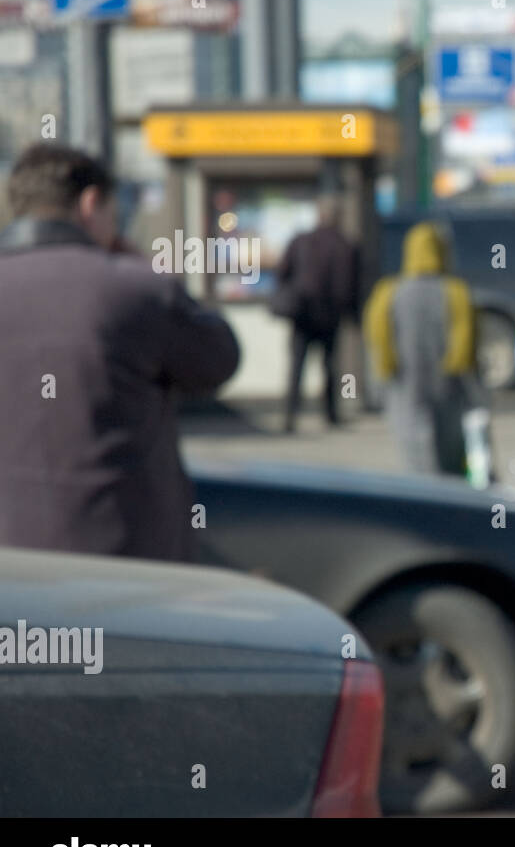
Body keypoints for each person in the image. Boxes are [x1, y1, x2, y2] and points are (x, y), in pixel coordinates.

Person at [0, 143, 239, 562]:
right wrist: (147, 271)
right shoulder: (130, 290)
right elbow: (218, 359)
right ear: (91, 204)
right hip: (122, 568)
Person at [362, 222, 487, 478]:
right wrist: (479, 398)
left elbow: (377, 345)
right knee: (454, 470)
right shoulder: (457, 293)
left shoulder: (388, 294)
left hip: (403, 393)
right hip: (450, 394)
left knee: (416, 470)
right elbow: (470, 353)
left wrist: (377, 392)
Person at [276, 194, 361, 433]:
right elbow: (350, 287)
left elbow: (283, 272)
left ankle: (290, 416)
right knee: (330, 367)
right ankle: (331, 414)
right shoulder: (345, 246)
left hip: (302, 314)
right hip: (330, 316)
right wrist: (353, 317)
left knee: (296, 367)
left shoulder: (302, 241)